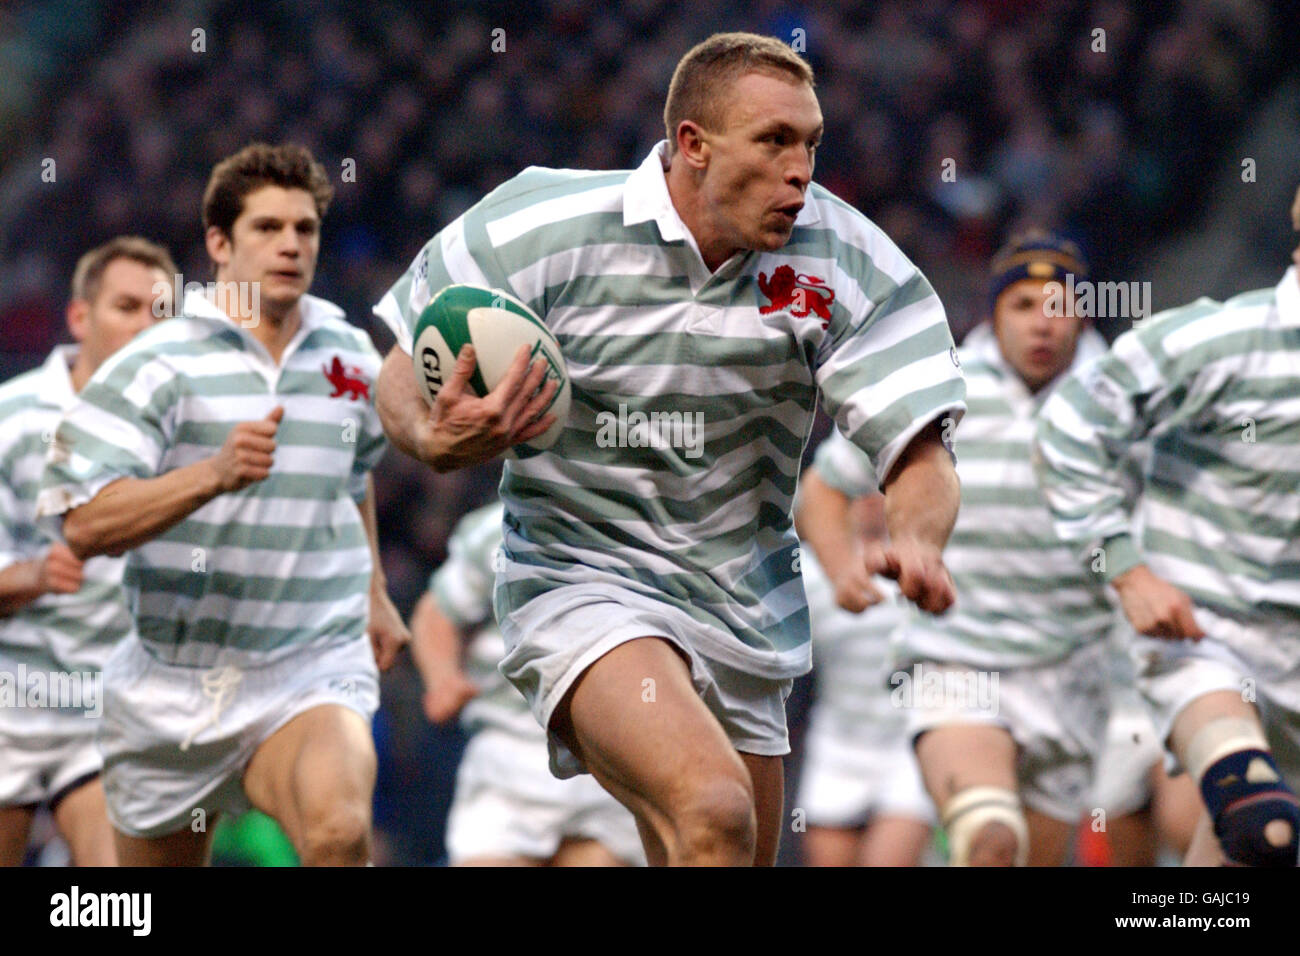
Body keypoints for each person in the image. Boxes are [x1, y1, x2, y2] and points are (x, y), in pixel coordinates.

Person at [373, 32, 966, 865]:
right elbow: (399, 373)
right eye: (775, 142)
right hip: (581, 579)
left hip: (745, 614)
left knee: (725, 843)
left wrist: (916, 539)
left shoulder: (850, 261)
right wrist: (431, 436)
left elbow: (919, 452)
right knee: (716, 811)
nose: (802, 170)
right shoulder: (541, 222)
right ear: (693, 144)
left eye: (811, 144)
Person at [36, 142, 407, 866]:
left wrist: (374, 590)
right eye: (267, 228)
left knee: (337, 832)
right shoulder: (157, 359)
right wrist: (210, 474)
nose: (291, 245)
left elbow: (352, 470)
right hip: (172, 684)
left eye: (305, 229)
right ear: (218, 243)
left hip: (310, 661)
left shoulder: (353, 356)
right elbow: (84, 524)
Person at [803, 232, 1121, 866]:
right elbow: (823, 490)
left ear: (1083, 316)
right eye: (1024, 305)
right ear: (993, 314)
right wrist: (842, 571)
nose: (1043, 325)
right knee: (991, 841)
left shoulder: (1121, 400)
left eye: (1059, 307)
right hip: (957, 661)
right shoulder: (943, 388)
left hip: (1074, 671)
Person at [1035, 187, 1300, 867]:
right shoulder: (1217, 340)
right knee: (1262, 824)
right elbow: (1070, 423)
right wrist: (1127, 571)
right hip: (1205, 637)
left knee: (1249, 857)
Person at [0, 236, 176, 866]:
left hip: (105, 712)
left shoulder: (184, 434)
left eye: (160, 315)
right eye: (127, 307)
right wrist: (32, 576)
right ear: (80, 318)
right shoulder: (11, 419)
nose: (144, 328)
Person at [411, 501, 644, 866]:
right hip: (508, 752)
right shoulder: (500, 527)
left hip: (608, 761)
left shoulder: (642, 533)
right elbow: (437, 612)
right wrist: (443, 680)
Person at [792, 486, 934, 867]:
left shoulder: (923, 564)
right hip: (837, 745)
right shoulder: (805, 569)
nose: (870, 501)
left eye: (880, 490)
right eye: (856, 491)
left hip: (905, 749)